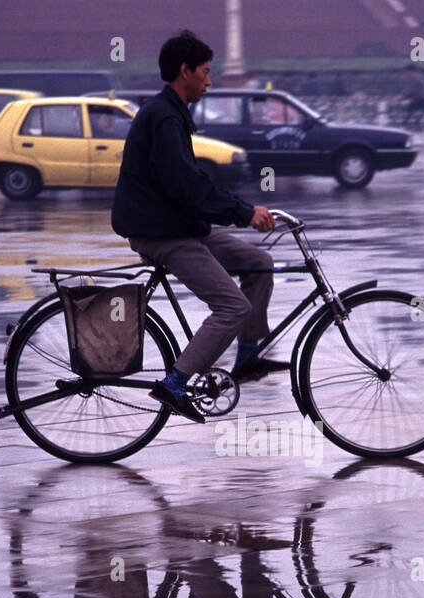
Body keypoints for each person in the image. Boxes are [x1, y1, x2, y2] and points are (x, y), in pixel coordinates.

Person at [111, 30, 284, 425]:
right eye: (205, 72)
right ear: (185, 71)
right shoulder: (164, 117)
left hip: (182, 225)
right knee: (232, 306)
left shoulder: (171, 114)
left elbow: (192, 185)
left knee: (258, 262)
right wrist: (243, 212)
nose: (209, 80)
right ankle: (175, 383)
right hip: (162, 232)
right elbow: (187, 186)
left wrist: (241, 210)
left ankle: (248, 356)